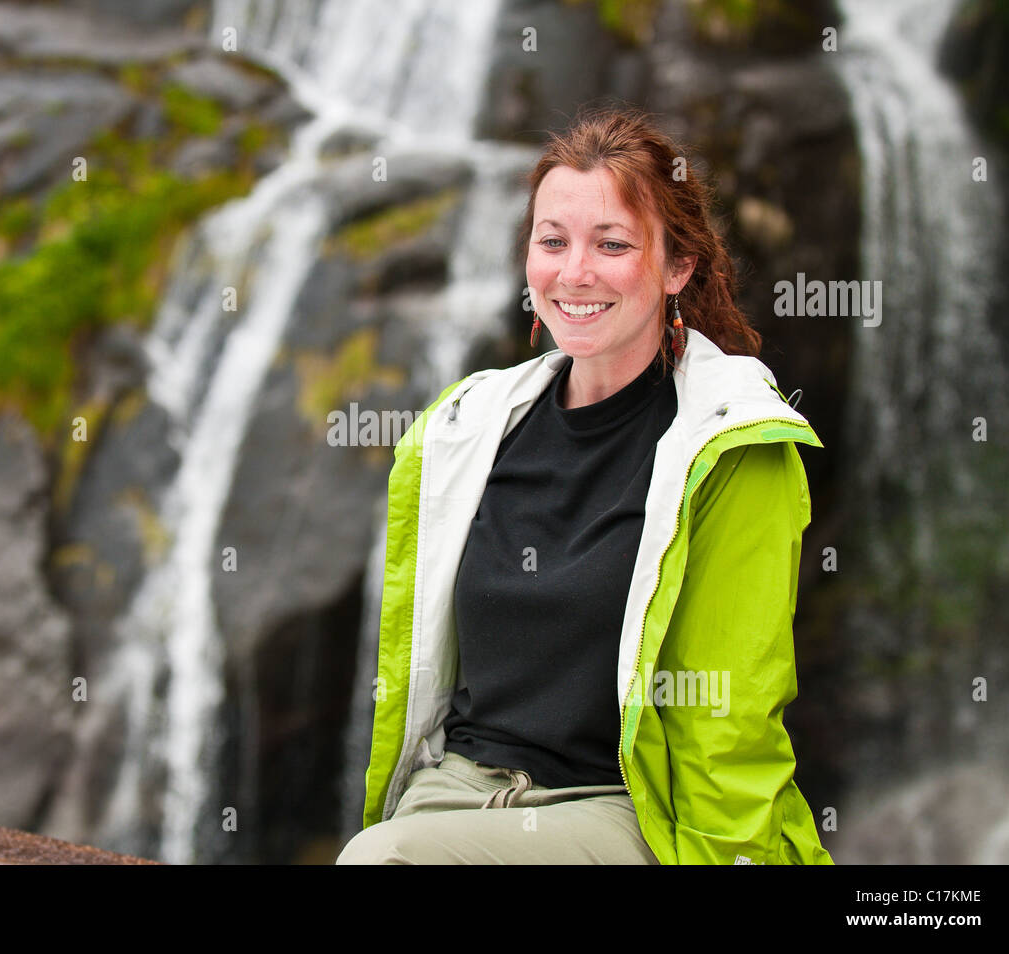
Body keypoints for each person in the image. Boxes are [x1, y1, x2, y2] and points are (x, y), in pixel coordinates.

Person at [336, 106, 835, 865]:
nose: (574, 273)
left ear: (677, 267)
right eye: (553, 241)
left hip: (619, 810)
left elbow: (730, 715)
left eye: (612, 244)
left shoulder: (731, 450)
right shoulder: (467, 429)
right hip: (455, 792)